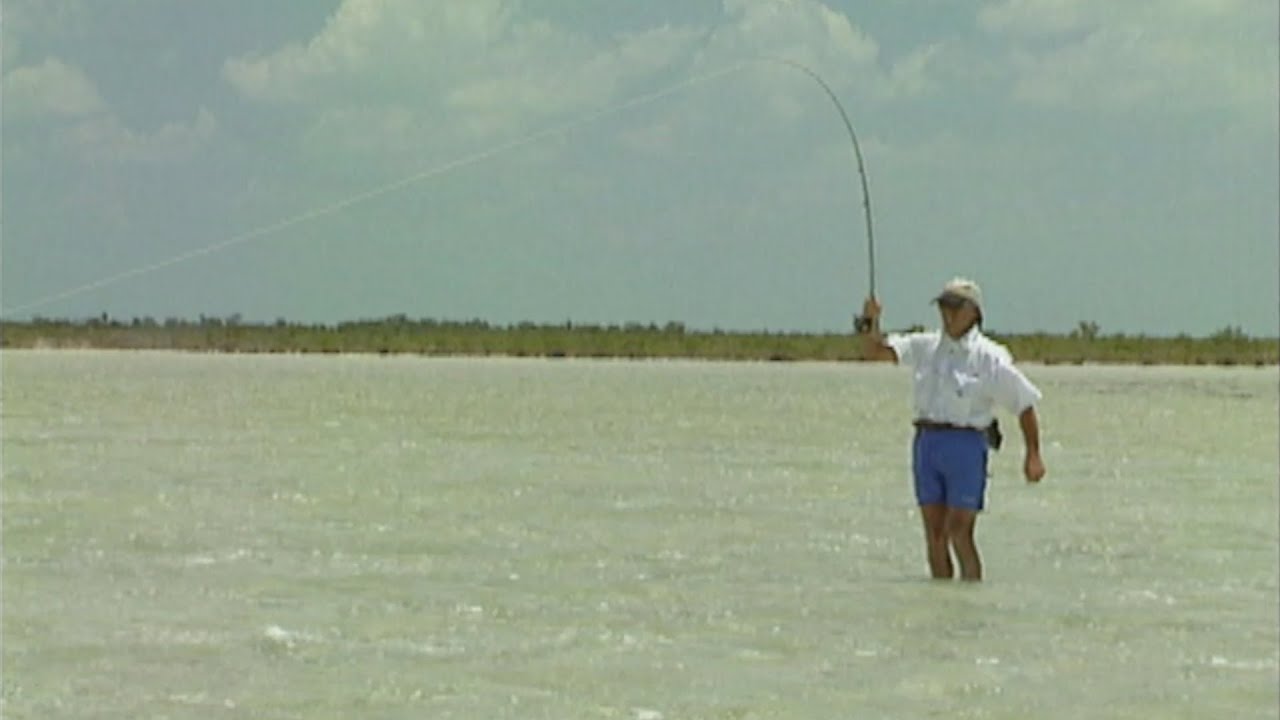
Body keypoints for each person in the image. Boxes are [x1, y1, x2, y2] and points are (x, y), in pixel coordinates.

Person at [859, 277, 1046, 581]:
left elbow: (1024, 404)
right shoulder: (924, 345)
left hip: (967, 445)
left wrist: (1033, 454)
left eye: (955, 307)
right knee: (934, 534)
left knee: (959, 531)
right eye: (944, 306)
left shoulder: (990, 357)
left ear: (973, 312)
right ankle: (943, 602)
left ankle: (971, 592)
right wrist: (870, 320)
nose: (947, 313)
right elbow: (875, 351)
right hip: (926, 443)